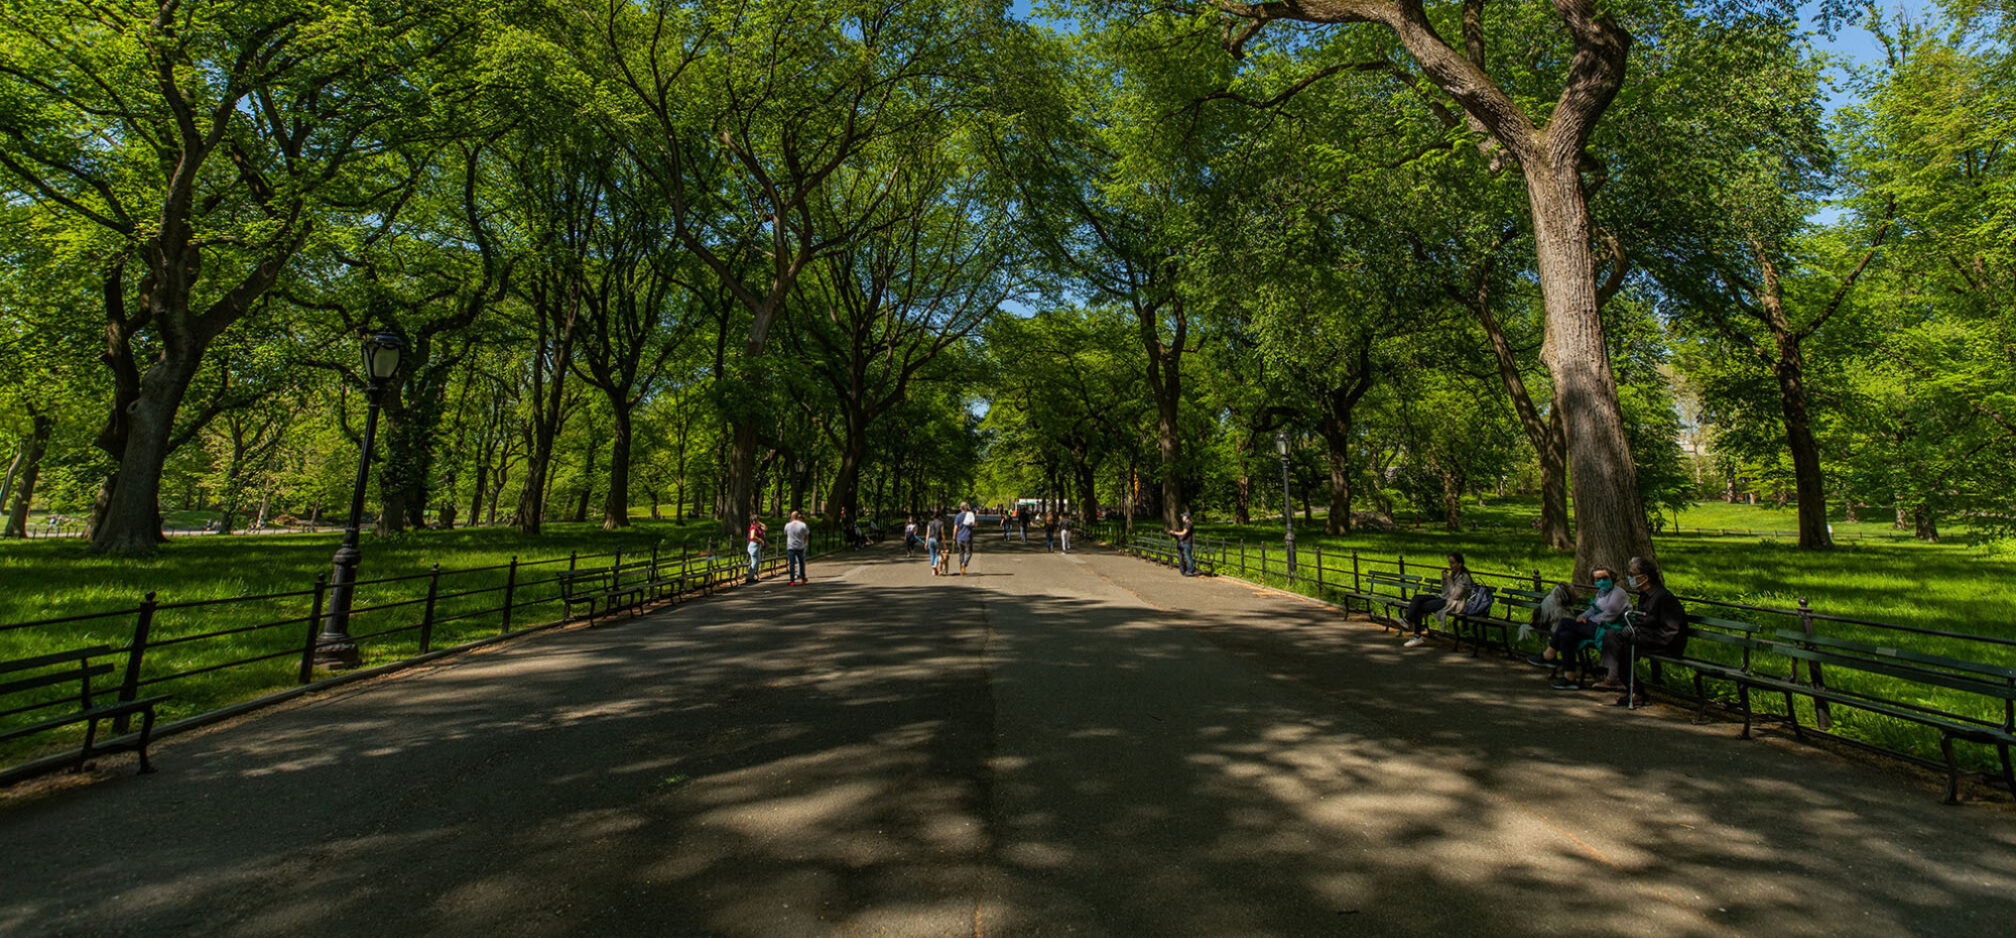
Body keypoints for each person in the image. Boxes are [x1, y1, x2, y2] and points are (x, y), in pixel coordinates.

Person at [1593, 556, 1689, 702]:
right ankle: (1618, 678)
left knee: (1624, 646)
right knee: (1612, 635)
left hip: (1665, 644)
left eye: (1632, 574)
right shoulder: (1645, 596)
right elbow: (1642, 622)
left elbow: (1671, 632)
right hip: (1646, 639)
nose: (1629, 577)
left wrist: (1640, 636)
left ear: (1644, 577)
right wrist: (1632, 631)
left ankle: (1634, 690)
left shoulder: (1663, 597)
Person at [1528, 565, 1633, 688]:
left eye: (1605, 578)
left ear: (1612, 577)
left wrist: (1588, 621)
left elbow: (1610, 615)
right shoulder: (1600, 593)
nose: (1602, 581)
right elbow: (1593, 609)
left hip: (1610, 629)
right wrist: (1582, 617)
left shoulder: (1618, 594)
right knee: (1565, 635)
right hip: (1597, 627)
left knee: (1564, 623)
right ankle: (1569, 677)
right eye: (1598, 579)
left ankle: (1548, 654)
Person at [1401, 554, 1475, 648]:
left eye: (1453, 563)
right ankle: (1407, 621)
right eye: (1449, 563)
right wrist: (1444, 580)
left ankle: (1415, 633)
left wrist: (1447, 579)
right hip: (1445, 599)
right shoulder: (1453, 574)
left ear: (1460, 564)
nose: (1450, 565)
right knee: (1417, 598)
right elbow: (1445, 592)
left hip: (1454, 603)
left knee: (1419, 606)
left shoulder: (1464, 577)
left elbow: (1455, 595)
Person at [782, 511, 811, 584]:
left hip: (791, 546)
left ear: (791, 517)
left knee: (792, 563)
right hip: (800, 546)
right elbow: (806, 535)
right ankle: (803, 578)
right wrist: (804, 542)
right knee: (801, 562)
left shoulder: (788, 525)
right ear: (798, 516)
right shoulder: (803, 525)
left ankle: (792, 580)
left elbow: (785, 534)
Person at [1166, 512, 1197, 576]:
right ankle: (1184, 568)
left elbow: (1183, 533)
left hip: (1187, 543)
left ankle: (1190, 570)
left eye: (1183, 516)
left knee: (1188, 557)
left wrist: (1174, 532)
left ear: (1186, 517)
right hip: (1183, 543)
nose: (1182, 517)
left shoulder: (1189, 524)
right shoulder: (1186, 524)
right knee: (1182, 555)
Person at [956, 501, 978, 575]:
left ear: (960, 508)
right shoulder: (970, 515)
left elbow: (955, 527)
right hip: (968, 537)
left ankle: (961, 569)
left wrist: (953, 536)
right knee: (969, 553)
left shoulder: (958, 516)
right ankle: (964, 564)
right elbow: (975, 524)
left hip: (959, 537)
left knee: (961, 553)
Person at [745, 514, 768, 584]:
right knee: (755, 562)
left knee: (757, 561)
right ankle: (749, 577)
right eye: (758, 519)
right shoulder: (753, 527)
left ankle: (751, 576)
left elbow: (765, 528)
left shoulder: (757, 527)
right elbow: (752, 537)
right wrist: (760, 540)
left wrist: (759, 522)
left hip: (756, 546)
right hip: (753, 546)